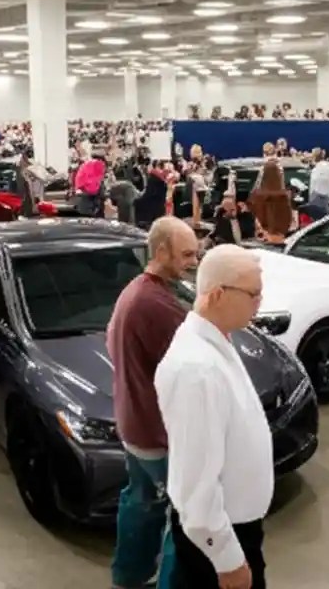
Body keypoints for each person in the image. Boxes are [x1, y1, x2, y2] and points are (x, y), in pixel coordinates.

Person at [156, 245, 272, 589]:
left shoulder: (216, 342)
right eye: (254, 294)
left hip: (237, 528)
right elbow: (195, 483)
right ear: (218, 294)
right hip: (219, 540)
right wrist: (227, 559)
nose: (260, 302)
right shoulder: (197, 370)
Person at [108, 218, 199, 589]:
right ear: (160, 251)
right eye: (187, 254)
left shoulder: (133, 292)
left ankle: (128, 576)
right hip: (159, 435)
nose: (194, 261)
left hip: (133, 425)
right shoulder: (158, 305)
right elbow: (192, 369)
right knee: (187, 517)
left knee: (141, 502)